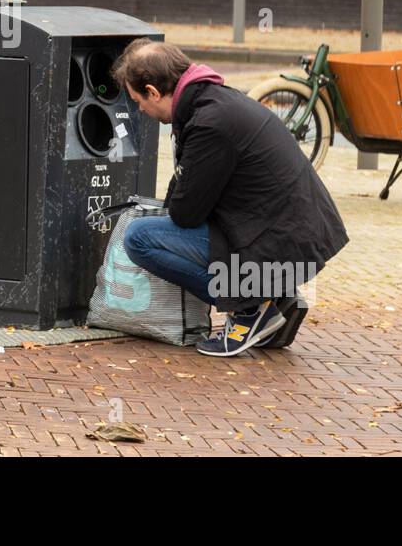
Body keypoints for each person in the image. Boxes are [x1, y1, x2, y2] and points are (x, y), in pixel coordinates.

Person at [110, 39, 348, 357]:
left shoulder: (209, 124)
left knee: (138, 237)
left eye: (139, 100)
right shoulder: (215, 102)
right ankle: (271, 295)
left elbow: (185, 214)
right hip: (295, 238)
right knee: (162, 227)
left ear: (153, 91)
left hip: (284, 245)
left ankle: (250, 305)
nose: (140, 109)